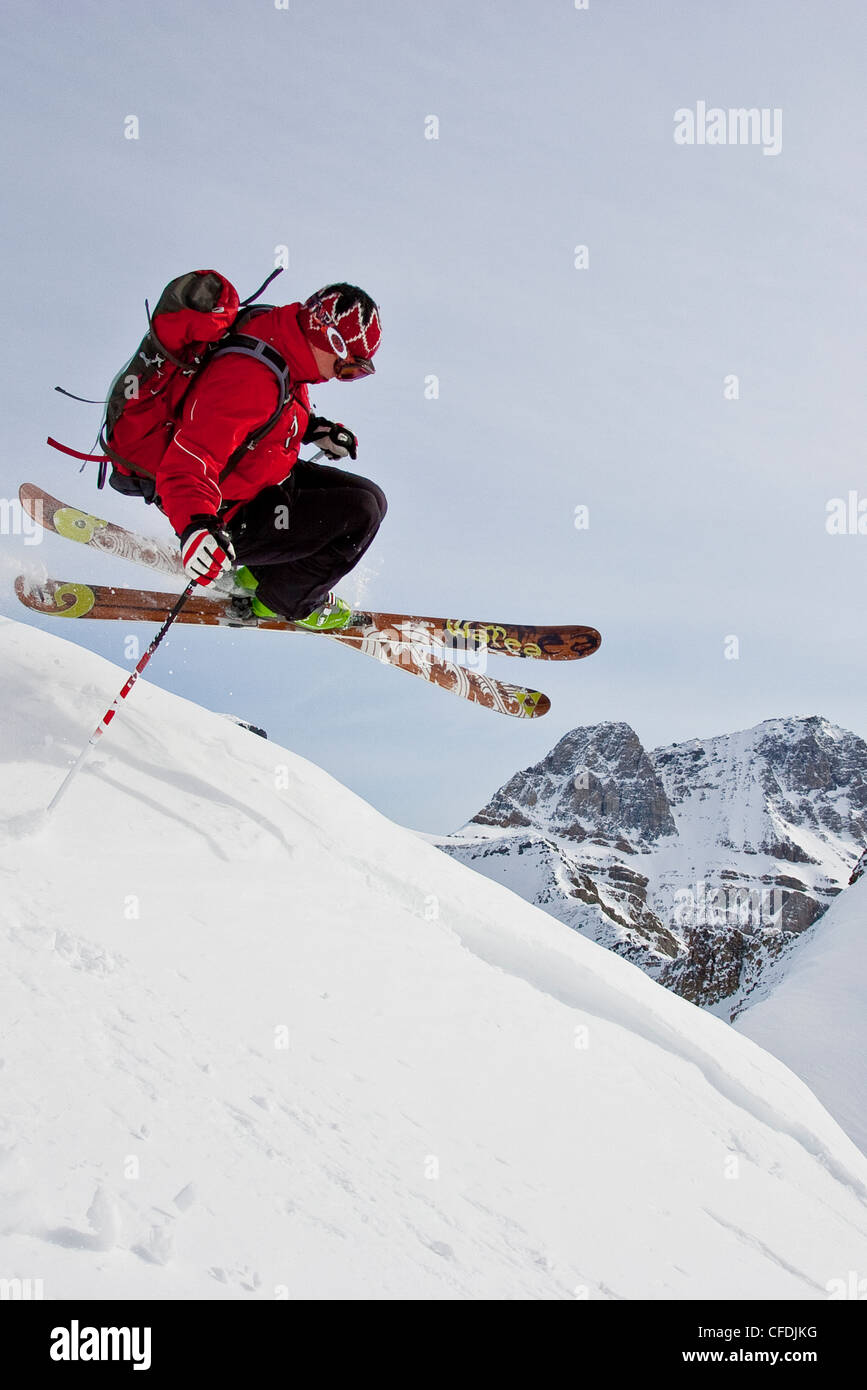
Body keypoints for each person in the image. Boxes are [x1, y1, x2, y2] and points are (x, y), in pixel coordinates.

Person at [159, 283, 386, 630]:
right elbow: (190, 457)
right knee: (360, 517)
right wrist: (196, 527)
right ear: (330, 340)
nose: (343, 378)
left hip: (262, 484)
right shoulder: (250, 377)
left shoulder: (283, 339)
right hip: (226, 514)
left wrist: (315, 430)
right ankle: (282, 601)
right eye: (349, 368)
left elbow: (267, 415)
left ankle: (259, 573)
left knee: (372, 499)